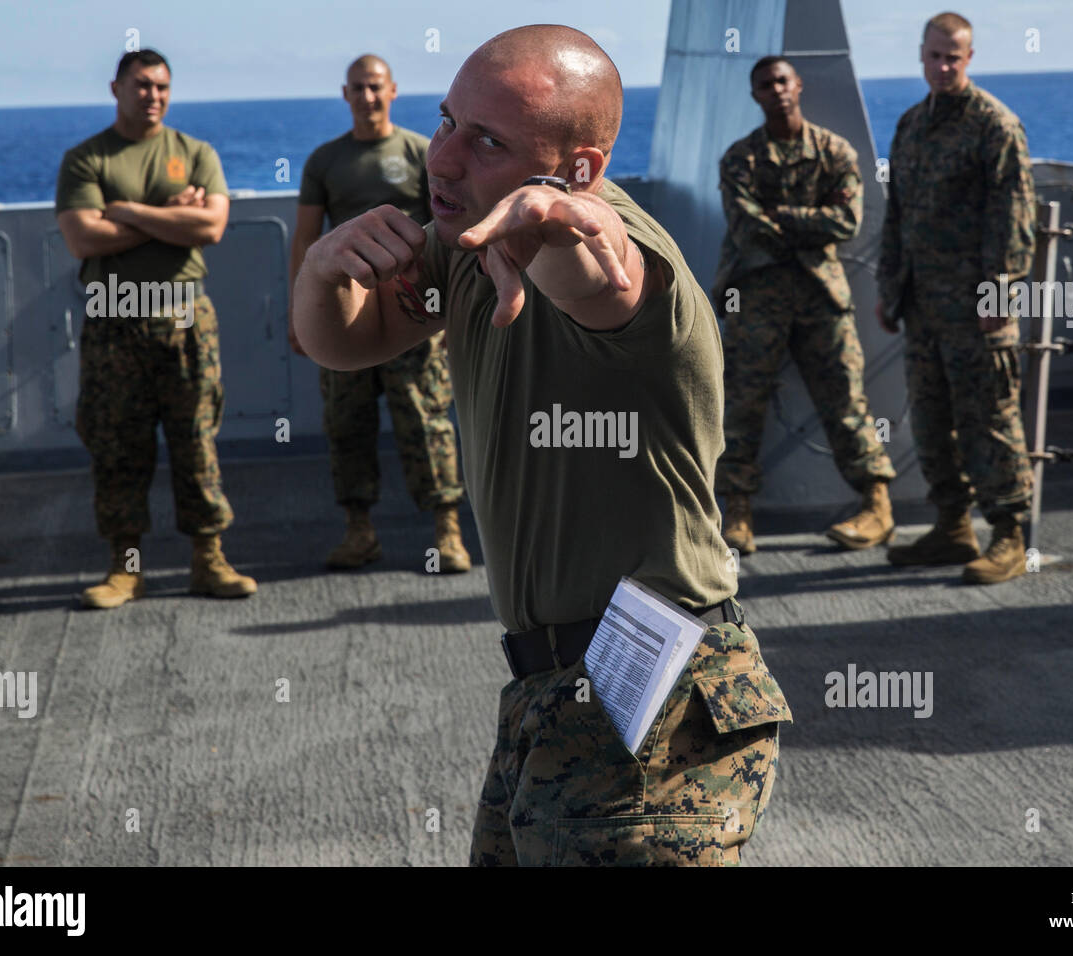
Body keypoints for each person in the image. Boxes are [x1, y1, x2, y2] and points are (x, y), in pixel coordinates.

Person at [293, 24, 792, 866]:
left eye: (487, 141)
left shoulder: (630, 264)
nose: (443, 158)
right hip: (553, 690)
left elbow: (601, 276)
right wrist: (322, 271)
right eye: (447, 121)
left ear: (580, 169)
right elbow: (344, 341)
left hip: (658, 699)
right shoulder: (465, 244)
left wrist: (557, 223)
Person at [56, 49, 256, 608]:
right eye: (142, 85)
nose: (153, 96)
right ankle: (126, 570)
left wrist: (128, 211)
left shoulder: (195, 153)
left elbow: (211, 226)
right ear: (116, 88)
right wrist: (172, 215)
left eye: (162, 87)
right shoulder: (86, 159)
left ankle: (209, 560)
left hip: (184, 317)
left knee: (197, 443)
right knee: (118, 447)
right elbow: (83, 239)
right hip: (113, 321)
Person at [288, 55, 470, 572]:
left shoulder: (420, 151)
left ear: (392, 91)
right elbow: (307, 239)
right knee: (347, 423)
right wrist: (301, 313)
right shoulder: (325, 161)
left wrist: (448, 315)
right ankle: (359, 531)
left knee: (426, 419)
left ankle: (447, 530)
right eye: (358, 88)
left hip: (413, 309)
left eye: (375, 87)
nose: (367, 96)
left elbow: (449, 234)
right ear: (345, 94)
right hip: (346, 312)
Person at [877, 11, 1037, 584]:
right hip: (923, 307)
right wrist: (889, 290)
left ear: (969, 59)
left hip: (977, 310)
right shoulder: (911, 125)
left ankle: (1010, 535)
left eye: (953, 57)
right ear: (921, 56)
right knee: (931, 422)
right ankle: (952, 527)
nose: (943, 66)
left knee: (988, 421)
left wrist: (999, 292)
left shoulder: (995, 125)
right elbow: (898, 216)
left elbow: (1013, 216)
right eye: (935, 56)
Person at [713, 57, 896, 556]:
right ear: (755, 95)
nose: (776, 90)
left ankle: (877, 505)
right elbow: (746, 225)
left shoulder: (834, 152)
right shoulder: (741, 159)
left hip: (820, 295)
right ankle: (738, 511)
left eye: (782, 81)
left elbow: (846, 222)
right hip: (757, 294)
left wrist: (783, 216)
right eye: (765, 84)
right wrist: (808, 223)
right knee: (742, 400)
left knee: (845, 396)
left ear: (798, 86)